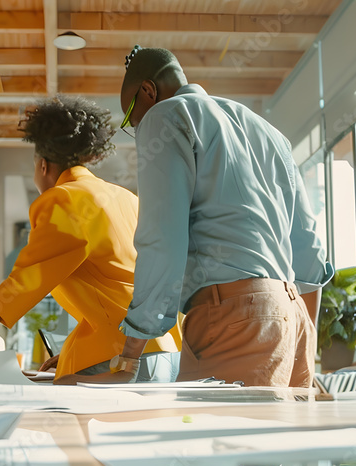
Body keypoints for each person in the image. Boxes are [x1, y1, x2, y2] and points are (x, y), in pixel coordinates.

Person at [112, 46, 333, 387]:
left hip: (232, 317)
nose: (135, 126)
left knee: (215, 438)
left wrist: (129, 353)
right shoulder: (267, 130)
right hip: (293, 316)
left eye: (130, 117)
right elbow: (310, 251)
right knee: (276, 438)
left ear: (147, 91)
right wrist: (302, 334)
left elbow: (162, 240)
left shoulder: (164, 117)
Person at [0, 95, 180, 385]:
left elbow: (21, 286)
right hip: (162, 352)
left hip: (120, 360)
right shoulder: (127, 199)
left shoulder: (63, 199)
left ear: (43, 166)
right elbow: (117, 288)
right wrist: (76, 354)